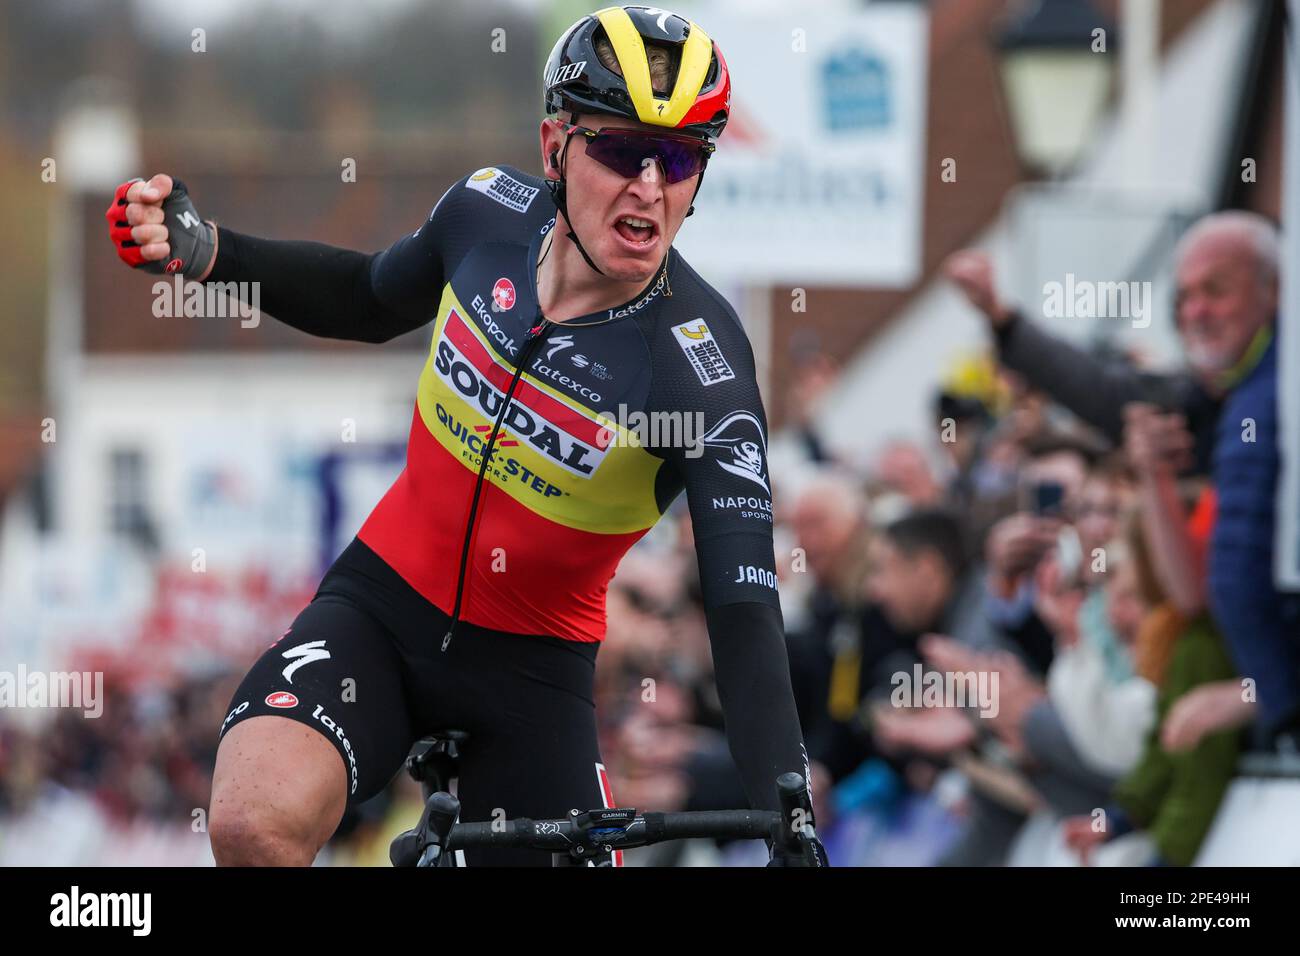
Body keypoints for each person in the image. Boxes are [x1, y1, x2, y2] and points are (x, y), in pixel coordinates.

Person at [106, 5, 824, 866]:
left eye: (678, 159)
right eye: (621, 150)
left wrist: (788, 809)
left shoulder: (701, 369)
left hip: (532, 680)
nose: (649, 187)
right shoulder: (485, 215)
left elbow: (744, 611)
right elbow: (367, 299)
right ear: (555, 145)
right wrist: (210, 251)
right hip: (379, 613)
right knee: (251, 825)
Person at [947, 212, 1300, 746]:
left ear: (1275, 290)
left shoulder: (1266, 397)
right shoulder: (1197, 404)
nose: (1196, 311)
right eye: (1184, 297)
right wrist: (1001, 319)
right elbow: (1197, 590)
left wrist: (1265, 692)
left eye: (1216, 290)